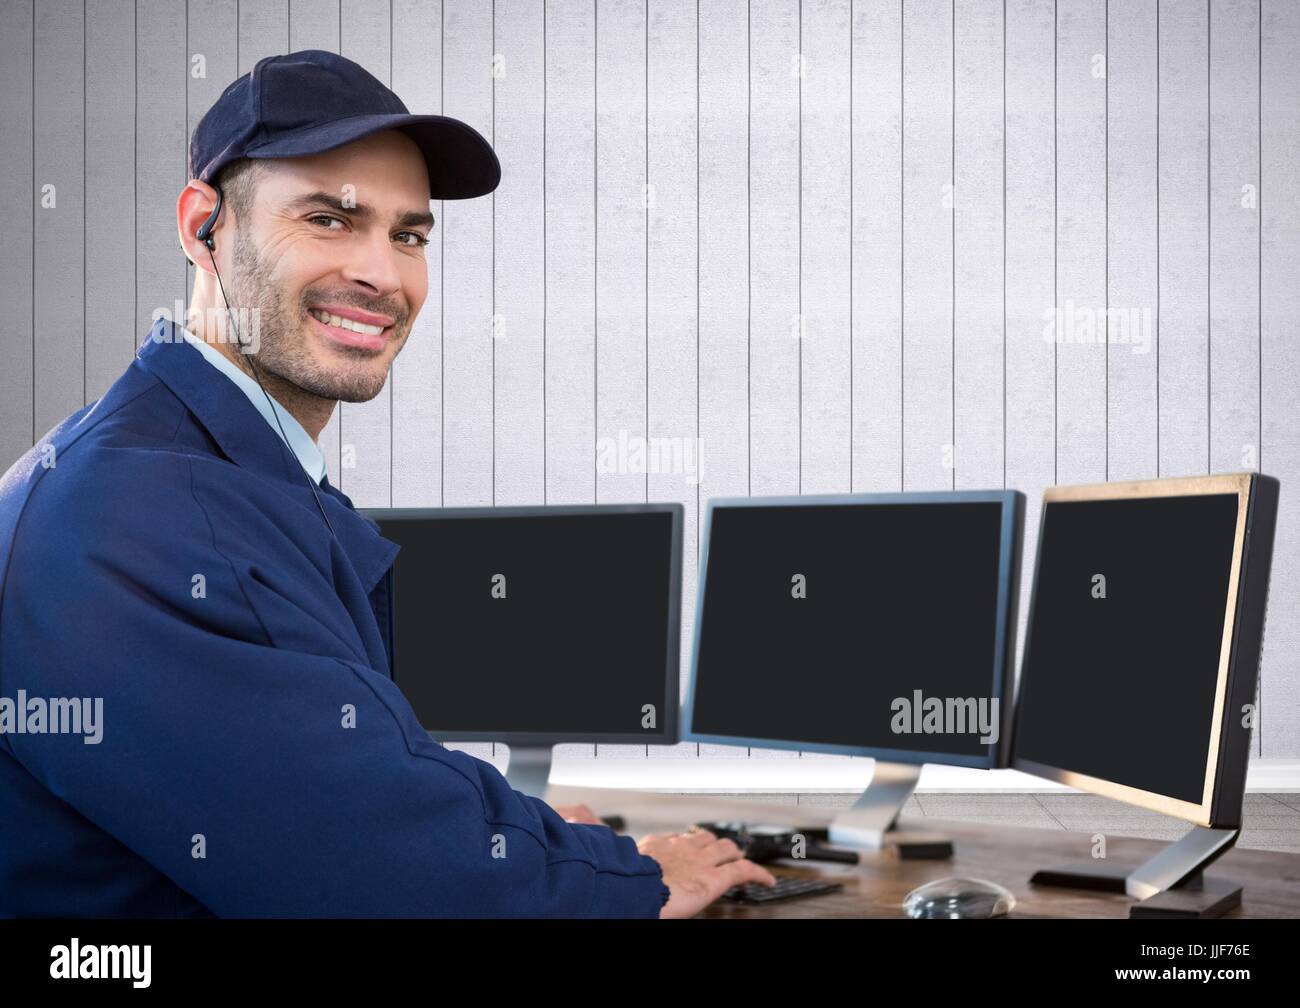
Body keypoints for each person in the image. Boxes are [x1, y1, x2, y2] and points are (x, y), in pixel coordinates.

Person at [0, 49, 773, 918]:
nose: (384, 274)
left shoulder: (223, 472)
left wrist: (536, 837)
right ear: (202, 227)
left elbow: (363, 778)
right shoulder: (138, 514)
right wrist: (635, 878)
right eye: (330, 219)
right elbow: (385, 878)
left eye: (408, 234)